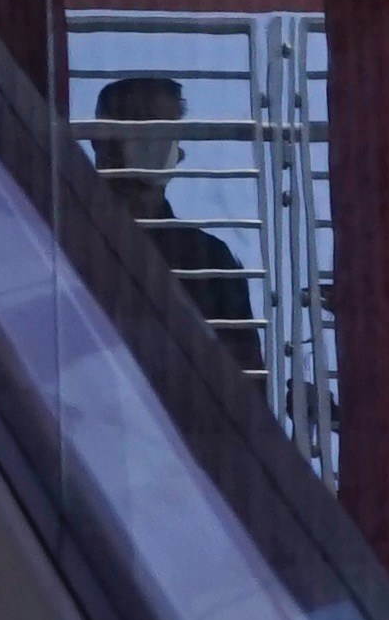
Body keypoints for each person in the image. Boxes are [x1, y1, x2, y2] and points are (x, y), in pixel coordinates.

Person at [87, 66, 266, 403]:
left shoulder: (213, 263)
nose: (159, 141)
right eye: (144, 123)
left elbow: (245, 401)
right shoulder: (60, 237)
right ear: (101, 138)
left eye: (169, 130)